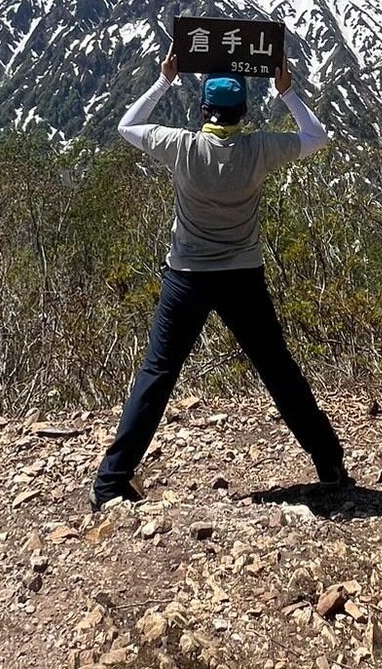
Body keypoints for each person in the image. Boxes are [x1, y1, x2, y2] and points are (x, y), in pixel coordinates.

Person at [90, 47, 349, 508]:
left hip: (186, 277)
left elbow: (127, 126)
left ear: (203, 109)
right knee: (278, 369)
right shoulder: (259, 150)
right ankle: (328, 462)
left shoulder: (183, 146)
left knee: (158, 373)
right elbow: (317, 136)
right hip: (242, 277)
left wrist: (164, 79)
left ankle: (112, 480)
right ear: (243, 112)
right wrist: (287, 92)